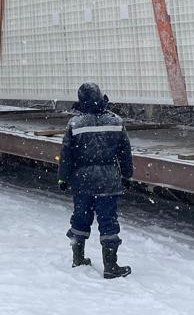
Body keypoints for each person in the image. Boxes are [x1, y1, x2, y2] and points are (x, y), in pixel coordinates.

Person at [57, 82, 133, 278]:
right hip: (109, 180)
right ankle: (111, 265)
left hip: (82, 181)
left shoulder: (75, 124)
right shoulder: (116, 121)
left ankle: (78, 257)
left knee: (80, 218)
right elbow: (125, 152)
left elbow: (67, 155)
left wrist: (63, 178)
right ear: (101, 97)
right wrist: (127, 174)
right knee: (108, 222)